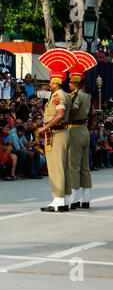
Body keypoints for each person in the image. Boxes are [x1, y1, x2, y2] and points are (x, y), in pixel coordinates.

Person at [38, 49, 77, 212]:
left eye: (51, 82)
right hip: (63, 132)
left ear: (55, 82)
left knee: (56, 167)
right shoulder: (67, 95)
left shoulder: (57, 96)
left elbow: (60, 114)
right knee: (64, 167)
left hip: (56, 133)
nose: (49, 84)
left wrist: (46, 126)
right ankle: (65, 198)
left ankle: (58, 200)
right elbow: (71, 112)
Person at [67, 51, 97, 210]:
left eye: (70, 81)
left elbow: (74, 110)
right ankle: (86, 199)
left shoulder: (76, 96)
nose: (69, 84)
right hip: (85, 130)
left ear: (75, 82)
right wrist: (90, 127)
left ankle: (73, 199)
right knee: (85, 166)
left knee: (74, 166)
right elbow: (92, 115)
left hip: (75, 130)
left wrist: (68, 119)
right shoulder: (88, 96)